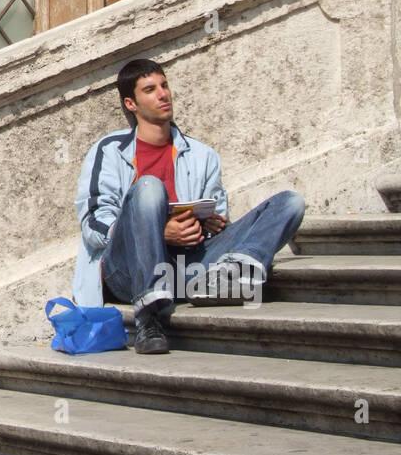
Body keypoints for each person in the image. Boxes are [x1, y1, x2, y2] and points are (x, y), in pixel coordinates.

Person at [73, 58, 305, 355]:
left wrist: (212, 225)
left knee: (290, 203)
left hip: (186, 267)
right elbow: (93, 222)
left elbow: (217, 212)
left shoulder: (203, 155)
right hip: (127, 271)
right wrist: (159, 232)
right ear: (131, 104)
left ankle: (231, 277)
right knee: (148, 186)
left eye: (164, 85)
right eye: (150, 89)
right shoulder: (109, 149)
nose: (163, 94)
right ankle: (148, 317)